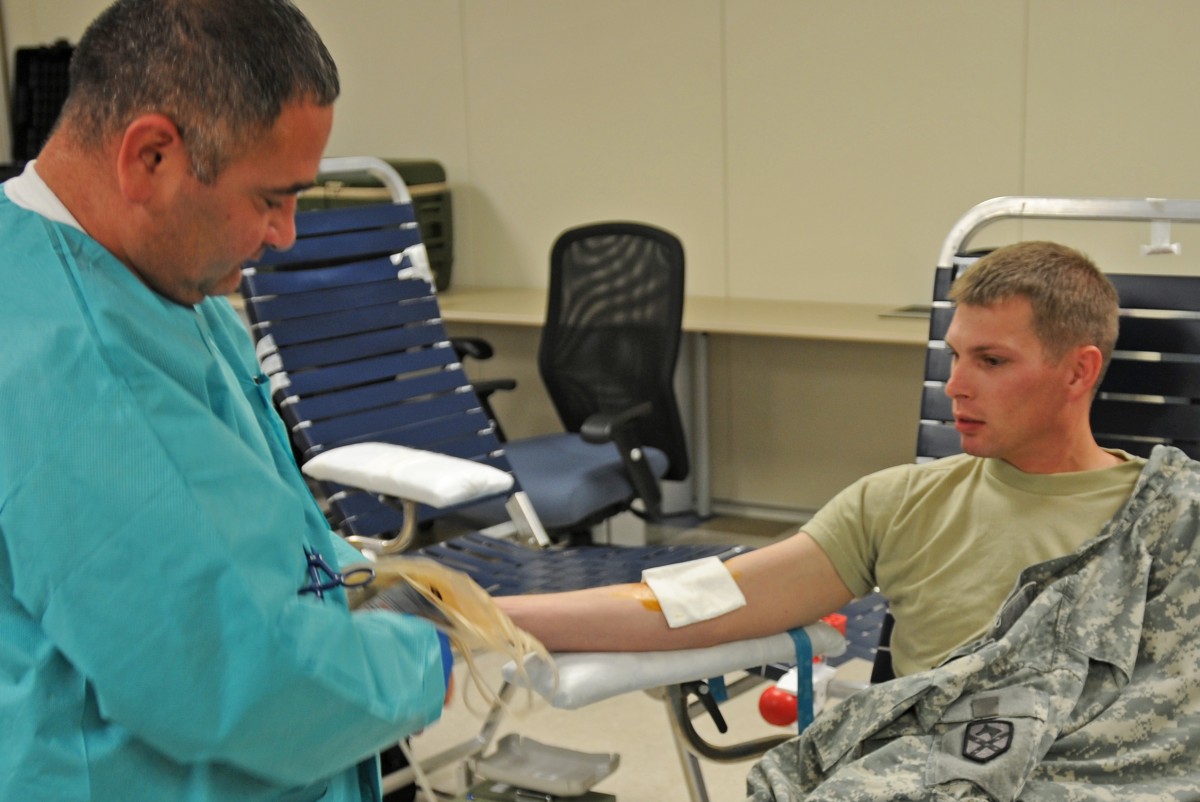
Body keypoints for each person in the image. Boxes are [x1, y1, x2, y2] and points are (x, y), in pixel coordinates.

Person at [0, 2, 450, 801]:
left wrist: (359, 583)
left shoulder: (158, 285)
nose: (287, 236)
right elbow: (222, 671)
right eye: (270, 198)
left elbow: (255, 521)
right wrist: (426, 659)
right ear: (152, 156)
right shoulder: (73, 364)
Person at [498, 240, 1145, 679]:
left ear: (1078, 371)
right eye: (955, 355)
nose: (955, 385)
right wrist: (482, 617)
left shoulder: (1170, 517)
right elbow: (703, 601)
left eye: (992, 361)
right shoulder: (899, 505)